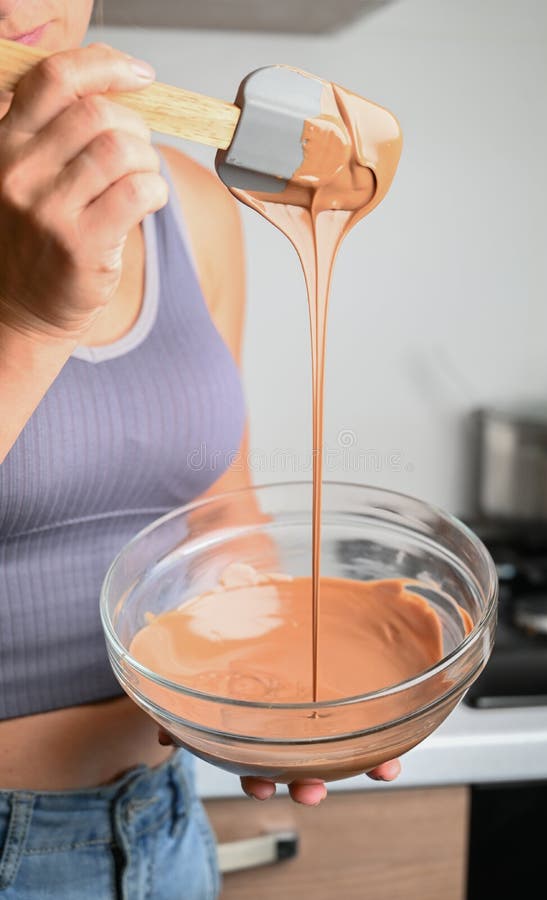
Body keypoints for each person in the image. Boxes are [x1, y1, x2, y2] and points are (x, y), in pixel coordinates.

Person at [0, 2, 401, 897]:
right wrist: (27, 323)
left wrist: (255, 692)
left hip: (166, 825)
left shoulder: (183, 202)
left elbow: (221, 515)